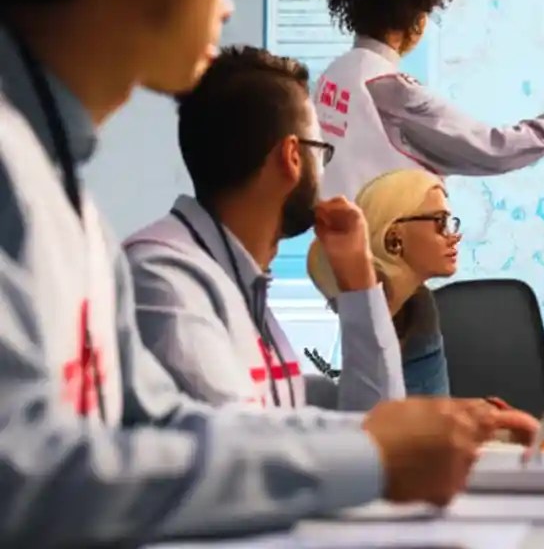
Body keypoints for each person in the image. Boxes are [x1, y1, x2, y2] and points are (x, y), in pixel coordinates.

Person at [0, 0, 536, 545]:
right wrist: (371, 454)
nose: (224, 5)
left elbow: (168, 419)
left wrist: (395, 434)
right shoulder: (35, 188)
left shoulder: (67, 198)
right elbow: (29, 481)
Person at [125, 46, 404, 410]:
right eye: (321, 152)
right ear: (291, 157)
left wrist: (360, 284)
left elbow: (377, 422)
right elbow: (245, 449)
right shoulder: (162, 277)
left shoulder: (239, 284)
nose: (326, 173)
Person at [313, 0, 544, 201]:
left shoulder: (334, 76)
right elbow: (494, 150)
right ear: (417, 21)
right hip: (383, 243)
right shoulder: (393, 94)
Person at [309, 169, 460, 396]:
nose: (454, 236)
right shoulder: (338, 311)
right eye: (440, 222)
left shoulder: (417, 309)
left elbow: (428, 418)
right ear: (393, 235)